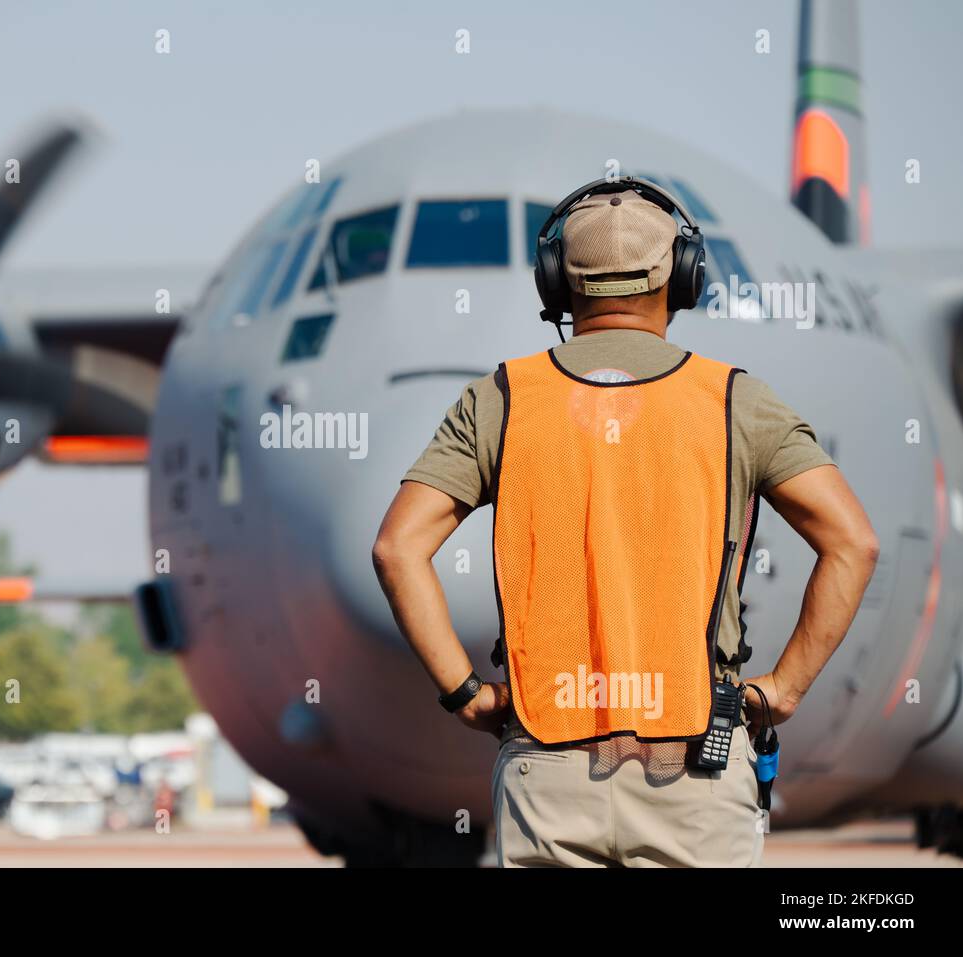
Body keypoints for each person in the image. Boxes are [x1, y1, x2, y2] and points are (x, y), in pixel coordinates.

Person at [371, 179, 879, 867]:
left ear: (556, 282)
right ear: (685, 275)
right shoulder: (736, 400)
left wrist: (466, 693)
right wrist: (782, 689)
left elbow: (398, 548)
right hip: (697, 771)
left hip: (546, 768)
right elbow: (853, 541)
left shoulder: (501, 397)